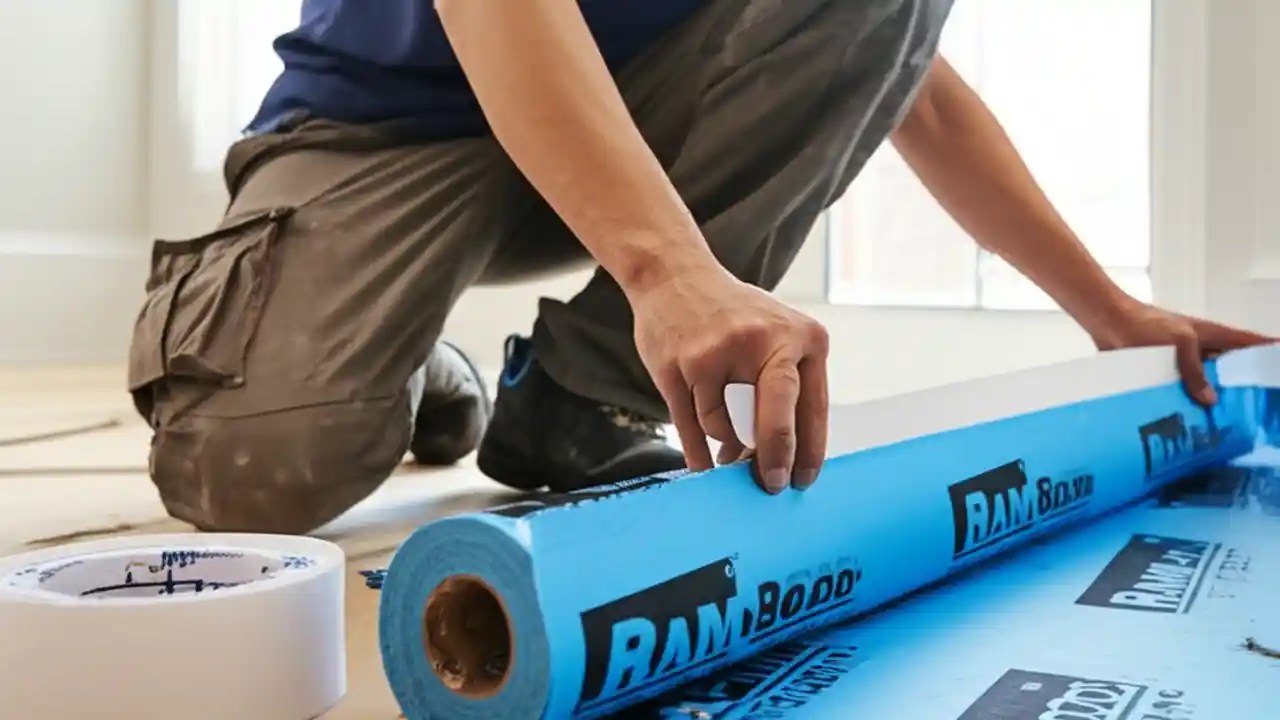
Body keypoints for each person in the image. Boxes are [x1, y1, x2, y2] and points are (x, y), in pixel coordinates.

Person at [127, 0, 1274, 534]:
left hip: (611, 129)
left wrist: (1106, 309)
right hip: (374, 132)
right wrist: (667, 269)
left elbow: (911, 86)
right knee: (249, 475)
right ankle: (415, 365)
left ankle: (579, 397)